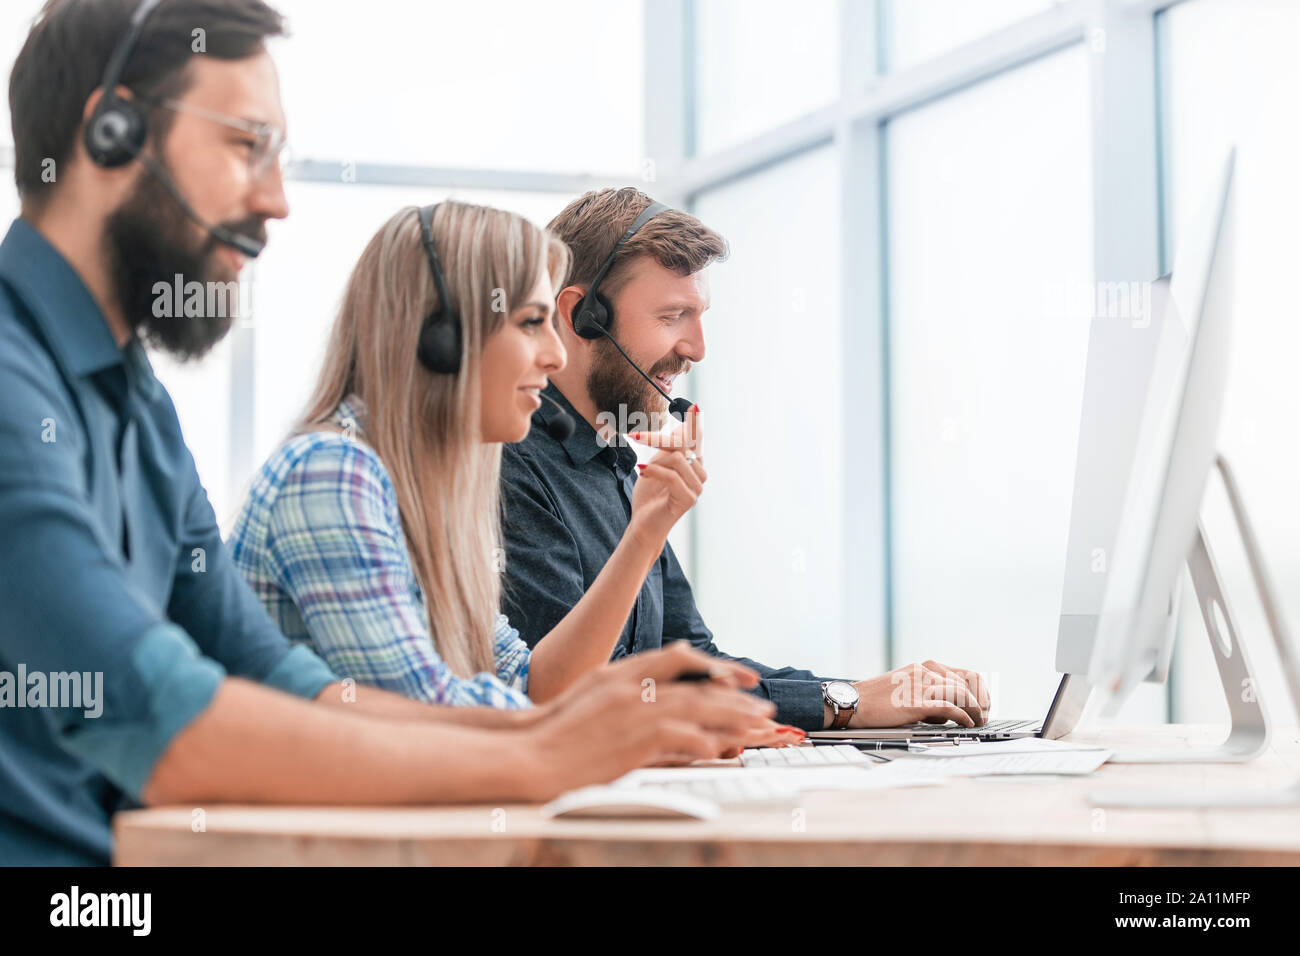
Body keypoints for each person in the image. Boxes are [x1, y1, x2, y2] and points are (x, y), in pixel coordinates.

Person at [0, 0, 770, 866]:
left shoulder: (136, 403)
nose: (278, 200)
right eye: (244, 144)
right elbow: (157, 708)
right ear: (108, 133)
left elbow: (278, 678)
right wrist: (546, 750)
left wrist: (560, 737)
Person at [227, 199, 801, 749]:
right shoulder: (332, 474)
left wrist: (645, 532)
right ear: (440, 339)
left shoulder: (435, 494)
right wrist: (632, 727)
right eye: (532, 323)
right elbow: (428, 718)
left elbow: (532, 687)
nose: (554, 356)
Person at [500, 187, 991, 731]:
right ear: (581, 315)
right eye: (673, 316)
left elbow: (694, 663)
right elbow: (575, 695)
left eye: (699, 315)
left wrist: (858, 695)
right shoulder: (510, 466)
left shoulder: (611, 457)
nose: (697, 348)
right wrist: (844, 702)